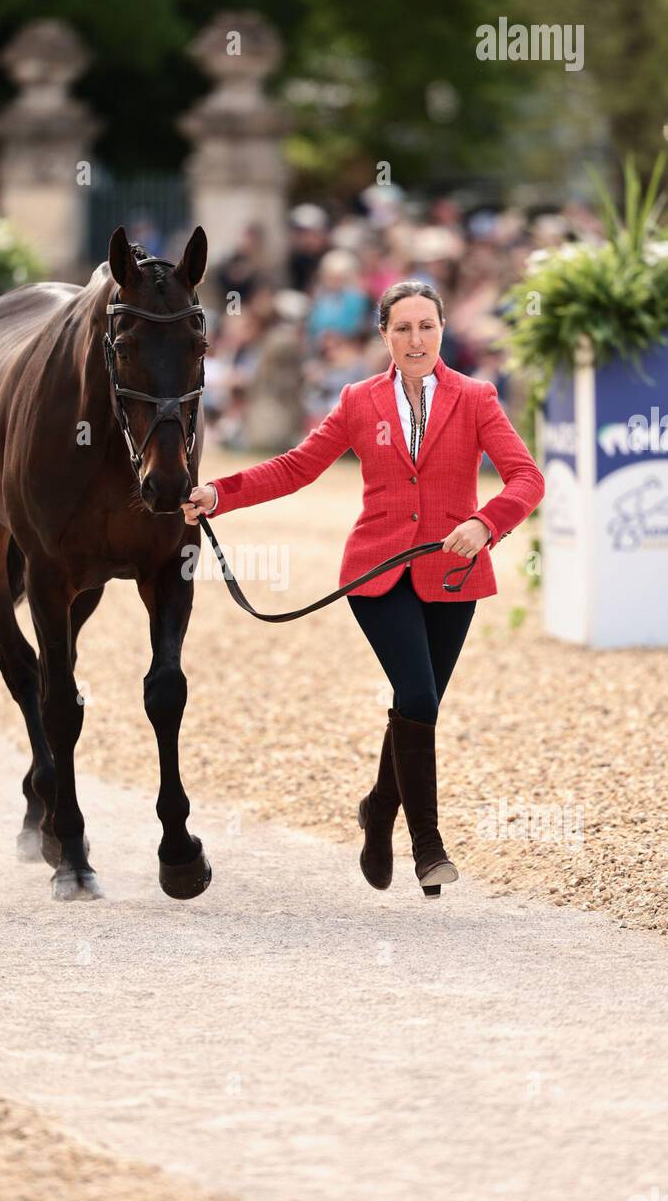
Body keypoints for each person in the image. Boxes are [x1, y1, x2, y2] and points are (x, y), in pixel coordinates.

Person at [182, 280, 545, 898]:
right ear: (383, 335)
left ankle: (378, 811)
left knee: (416, 707)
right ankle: (427, 847)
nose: (416, 339)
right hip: (376, 573)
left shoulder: (478, 398)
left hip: (454, 574)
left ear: (442, 330)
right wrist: (222, 492)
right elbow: (297, 467)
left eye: (427, 326)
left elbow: (526, 478)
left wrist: (484, 524)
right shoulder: (357, 400)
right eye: (402, 328)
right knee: (419, 694)